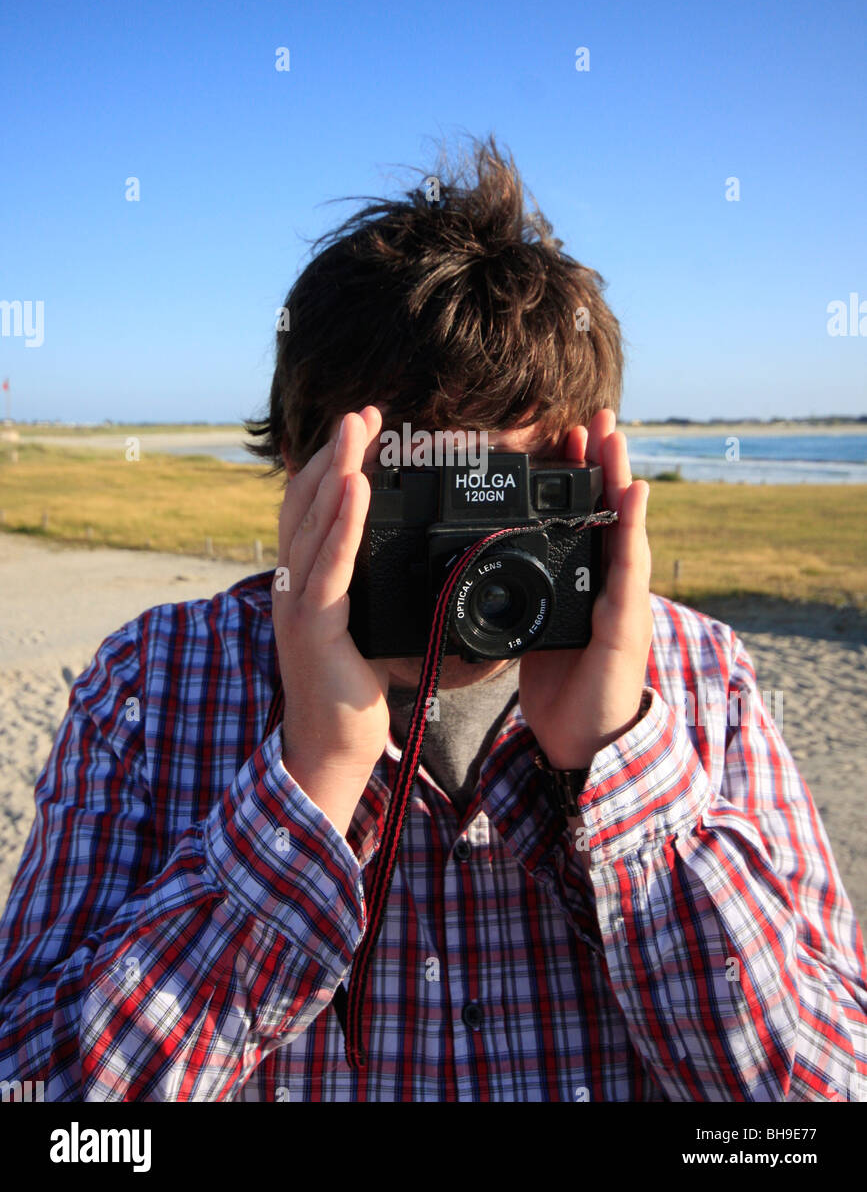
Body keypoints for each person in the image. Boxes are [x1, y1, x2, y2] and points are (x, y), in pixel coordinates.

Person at [0, 135, 865, 1101]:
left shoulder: (703, 678)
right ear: (298, 468)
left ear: (586, 480)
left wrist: (620, 766)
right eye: (416, 495)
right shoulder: (153, 685)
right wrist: (313, 775)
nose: (460, 557)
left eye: (505, 495)